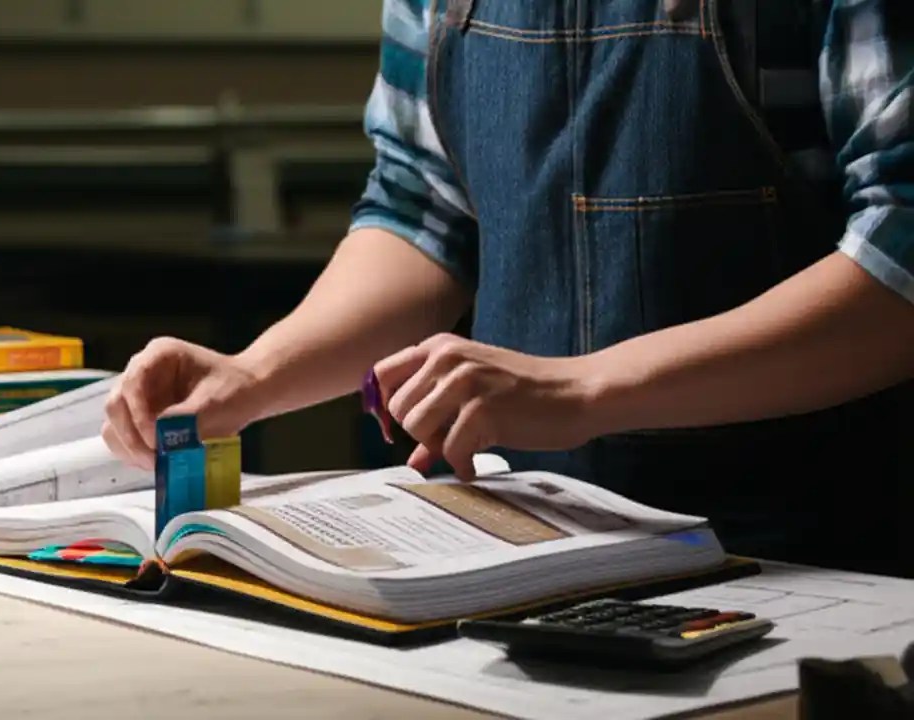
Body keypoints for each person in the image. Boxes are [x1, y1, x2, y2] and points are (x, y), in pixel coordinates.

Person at [104, 0, 914, 576]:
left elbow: (902, 254)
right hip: (528, 551)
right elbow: (423, 212)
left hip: (813, 560)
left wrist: (580, 386)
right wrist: (255, 375)